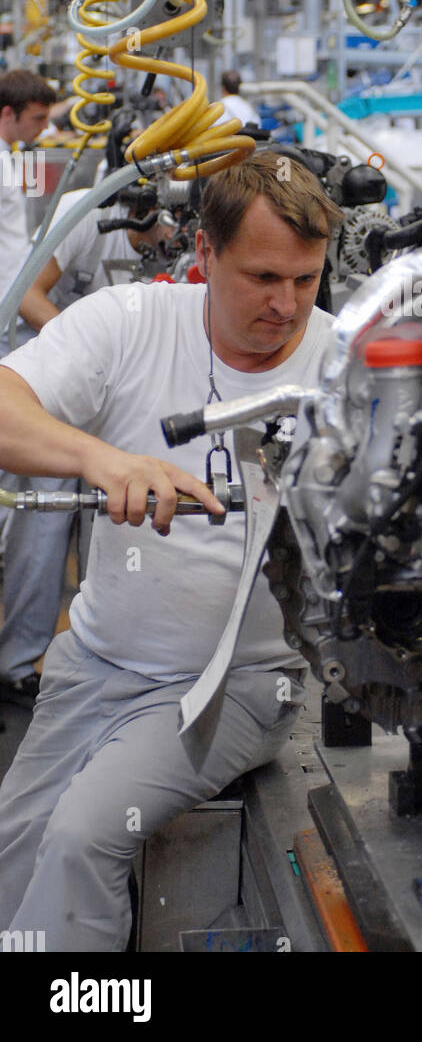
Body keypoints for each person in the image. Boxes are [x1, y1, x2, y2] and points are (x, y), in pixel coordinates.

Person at [0, 148, 343, 951]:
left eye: (305, 279)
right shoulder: (131, 323)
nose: (286, 305)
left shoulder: (347, 366)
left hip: (235, 684)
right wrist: (100, 458)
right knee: (16, 852)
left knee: (86, 835)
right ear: (205, 256)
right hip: (95, 661)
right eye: (262, 277)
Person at [0, 189, 175, 707]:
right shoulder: (88, 210)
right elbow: (27, 294)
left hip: (137, 382)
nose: (159, 239)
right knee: (45, 520)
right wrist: (96, 350)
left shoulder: (191, 225)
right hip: (71, 374)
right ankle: (15, 663)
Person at [0, 69, 54, 351]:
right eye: (38, 118)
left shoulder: (8, 156)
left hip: (13, 309)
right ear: (8, 113)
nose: (45, 126)